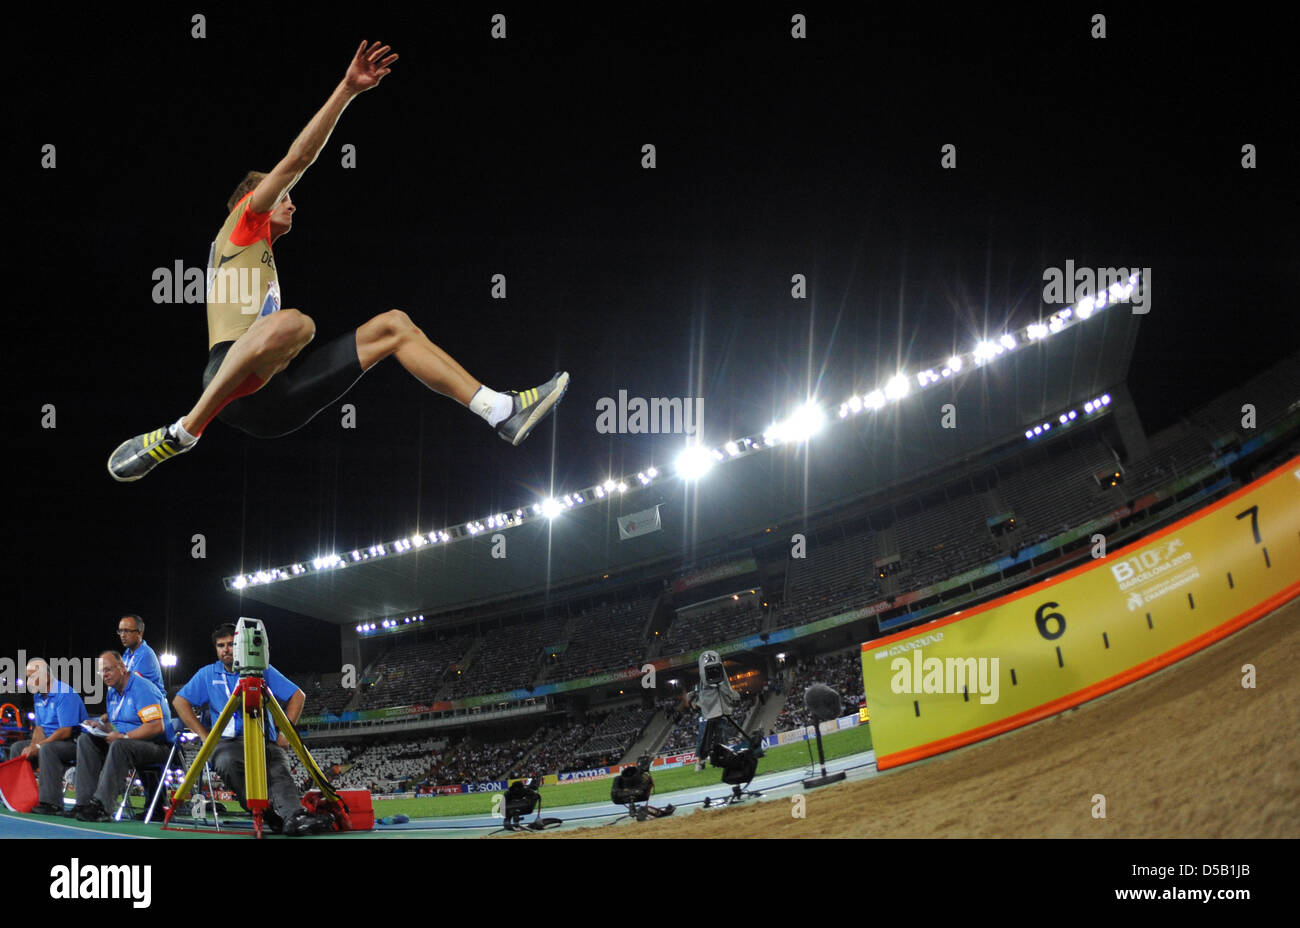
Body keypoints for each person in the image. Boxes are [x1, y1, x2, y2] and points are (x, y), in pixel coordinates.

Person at [108, 39, 568, 482]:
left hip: (277, 403)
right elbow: (299, 157)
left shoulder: (256, 255)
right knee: (298, 325)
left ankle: (499, 410)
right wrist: (347, 90)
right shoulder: (244, 222)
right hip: (230, 381)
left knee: (393, 326)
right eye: (282, 196)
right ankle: (182, 432)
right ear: (251, 199)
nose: (291, 203)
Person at [172, 623, 313, 833]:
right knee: (226, 761)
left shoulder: (261, 669)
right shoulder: (208, 674)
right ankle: (264, 812)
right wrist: (203, 735)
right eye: (221, 645)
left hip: (263, 739)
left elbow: (297, 696)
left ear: (241, 646)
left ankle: (294, 816)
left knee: (278, 769)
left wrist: (286, 733)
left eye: (231, 644)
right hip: (227, 743)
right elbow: (179, 701)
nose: (226, 649)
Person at [63, 652, 174, 822]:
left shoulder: (142, 688)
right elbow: (118, 725)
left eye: (108, 670)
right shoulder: (113, 693)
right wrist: (102, 727)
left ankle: (102, 806)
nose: (104, 675)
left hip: (158, 747)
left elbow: (156, 726)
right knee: (86, 740)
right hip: (129, 745)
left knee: (120, 745)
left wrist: (125, 736)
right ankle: (84, 803)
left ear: (122, 668)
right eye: (101, 672)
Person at [13, 659, 89, 816]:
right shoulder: (38, 696)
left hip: (74, 743)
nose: (29, 681)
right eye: (27, 677)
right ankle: (18, 796)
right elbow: (40, 728)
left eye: (32, 676)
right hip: (50, 742)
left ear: (46, 677)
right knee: (18, 748)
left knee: (47, 749)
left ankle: (52, 803)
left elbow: (65, 731)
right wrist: (33, 745)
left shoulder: (64, 693)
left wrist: (39, 747)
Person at [117, 614, 164, 692]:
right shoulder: (127, 653)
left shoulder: (146, 655)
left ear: (139, 633)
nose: (122, 635)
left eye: (127, 631)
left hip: (153, 702)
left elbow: (129, 685)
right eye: (120, 631)